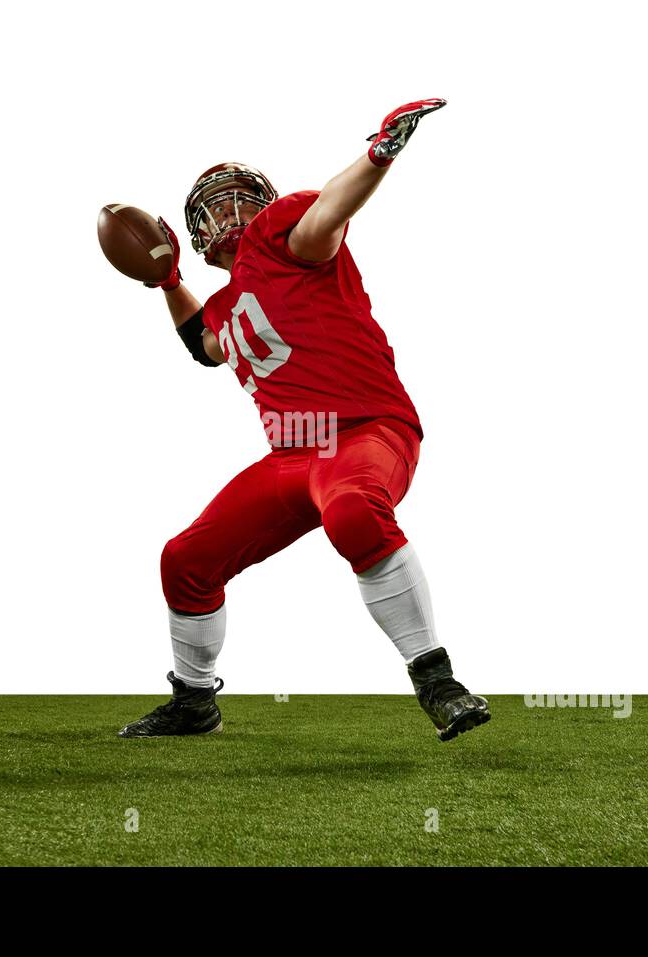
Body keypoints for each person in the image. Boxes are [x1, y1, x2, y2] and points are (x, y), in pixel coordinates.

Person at [119, 99, 489, 742]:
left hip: (365, 431)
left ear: (263, 207)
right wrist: (168, 280)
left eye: (241, 200)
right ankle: (194, 702)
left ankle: (438, 682)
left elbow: (330, 210)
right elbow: (199, 345)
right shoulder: (226, 306)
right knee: (185, 559)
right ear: (198, 231)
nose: (232, 213)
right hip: (293, 454)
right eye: (218, 205)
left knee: (353, 510)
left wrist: (378, 152)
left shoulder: (284, 238)